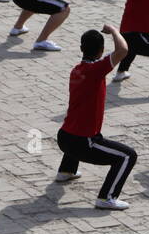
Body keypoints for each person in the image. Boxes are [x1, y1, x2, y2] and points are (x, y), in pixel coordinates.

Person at [56, 27, 136, 210]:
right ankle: (106, 197)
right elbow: (123, 50)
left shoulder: (76, 70)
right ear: (100, 50)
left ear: (81, 48)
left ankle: (66, 170)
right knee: (127, 156)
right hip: (83, 144)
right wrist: (115, 31)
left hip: (64, 139)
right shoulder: (96, 70)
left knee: (76, 124)